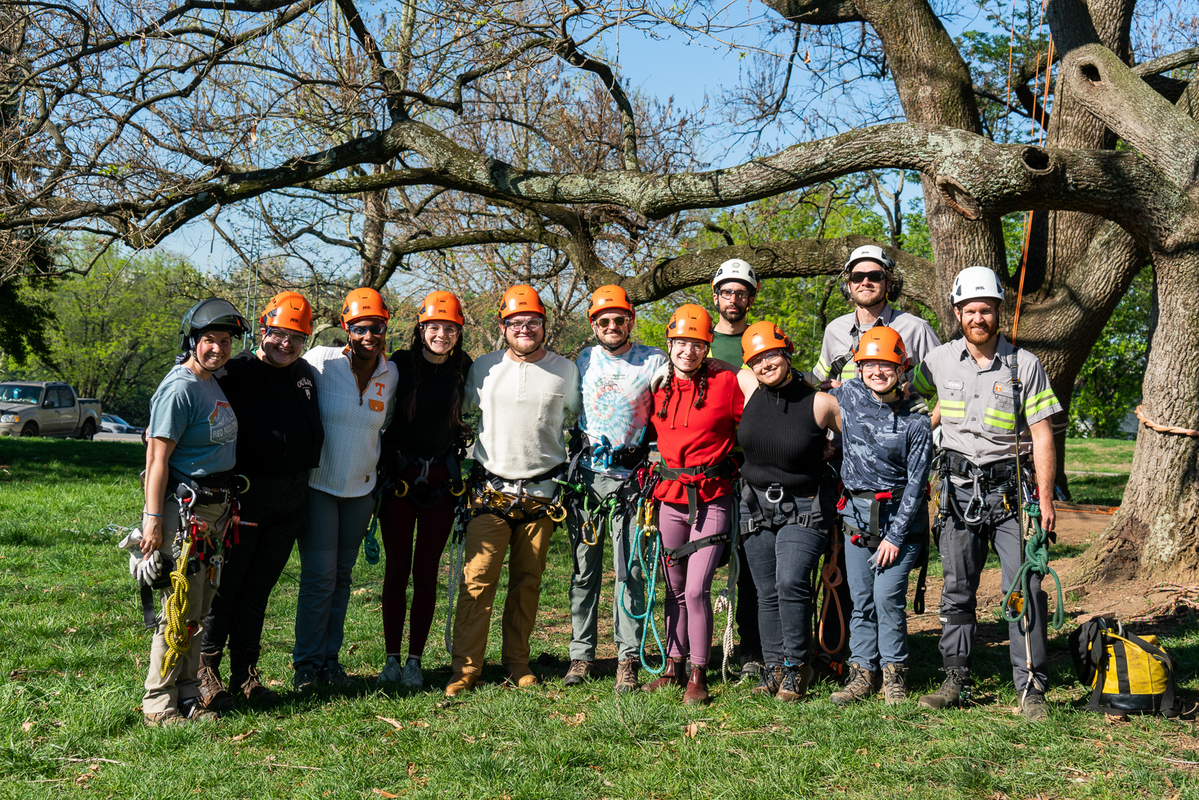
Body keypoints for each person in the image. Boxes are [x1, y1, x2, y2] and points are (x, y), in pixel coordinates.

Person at [911, 266, 1062, 720]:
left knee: (1025, 587)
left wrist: (1046, 499)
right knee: (957, 589)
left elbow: (1043, 434)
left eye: (987, 310)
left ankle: (1030, 686)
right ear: (957, 313)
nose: (978, 318)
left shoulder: (1024, 365)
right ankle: (954, 677)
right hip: (957, 494)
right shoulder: (937, 361)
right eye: (970, 310)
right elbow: (909, 402)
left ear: (999, 311)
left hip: (1011, 495)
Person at [446, 285, 582, 697]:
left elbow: (580, 417)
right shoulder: (484, 368)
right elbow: (459, 411)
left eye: (532, 322)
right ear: (503, 327)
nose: (525, 329)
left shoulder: (566, 371)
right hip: (490, 492)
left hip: (542, 494)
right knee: (477, 581)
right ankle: (466, 668)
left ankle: (517, 661)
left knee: (528, 583)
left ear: (544, 324)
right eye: (516, 323)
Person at [196, 292, 324, 712]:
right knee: (226, 589)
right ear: (263, 330)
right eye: (279, 334)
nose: (286, 343)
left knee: (259, 590)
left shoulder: (304, 374)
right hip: (245, 500)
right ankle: (205, 671)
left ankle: (245, 673)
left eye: (296, 337)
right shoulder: (232, 372)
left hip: (290, 502)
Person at [137, 298, 249, 725]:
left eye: (225, 341)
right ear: (192, 341)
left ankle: (187, 695)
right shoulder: (180, 388)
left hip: (213, 512)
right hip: (184, 514)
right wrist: (152, 521)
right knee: (177, 609)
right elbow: (156, 459)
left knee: (197, 610)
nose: (218, 348)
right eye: (210, 340)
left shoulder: (210, 381)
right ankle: (158, 702)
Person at [293, 287, 399, 691]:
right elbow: (277, 368)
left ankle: (330, 661)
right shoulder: (321, 360)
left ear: (386, 328)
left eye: (377, 328)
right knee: (319, 577)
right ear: (346, 327)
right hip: (320, 485)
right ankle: (306, 664)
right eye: (360, 328)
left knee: (341, 578)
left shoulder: (391, 373)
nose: (369, 336)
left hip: (361, 491)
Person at [563, 285, 666, 693]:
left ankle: (628, 657)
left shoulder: (653, 360)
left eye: (619, 320)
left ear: (630, 321)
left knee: (632, 570)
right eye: (603, 321)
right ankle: (581, 654)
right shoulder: (583, 360)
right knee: (583, 570)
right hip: (588, 479)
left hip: (632, 481)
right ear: (593, 324)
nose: (611, 326)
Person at [734, 321, 841, 703]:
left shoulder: (820, 403)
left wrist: (833, 451)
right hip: (754, 505)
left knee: (790, 580)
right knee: (765, 591)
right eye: (757, 359)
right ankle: (773, 665)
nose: (765, 364)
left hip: (804, 506)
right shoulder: (748, 386)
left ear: (788, 353)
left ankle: (797, 666)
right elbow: (718, 364)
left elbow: (856, 441)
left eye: (772, 355)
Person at [642, 304, 743, 705]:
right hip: (669, 497)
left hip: (713, 495)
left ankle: (699, 673)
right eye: (682, 343)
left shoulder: (726, 381)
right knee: (674, 588)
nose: (689, 351)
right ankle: (674, 666)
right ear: (669, 343)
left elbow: (753, 419)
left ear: (708, 346)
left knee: (698, 588)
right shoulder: (657, 386)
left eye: (697, 344)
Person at [828, 326, 932, 706]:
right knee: (861, 599)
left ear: (901, 368)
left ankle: (894, 673)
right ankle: (861, 673)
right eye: (869, 364)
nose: (877, 371)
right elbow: (809, 387)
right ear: (859, 368)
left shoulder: (916, 420)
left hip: (899, 521)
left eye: (886, 365)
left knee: (887, 597)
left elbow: (918, 484)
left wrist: (895, 536)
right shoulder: (848, 394)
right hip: (856, 518)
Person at [376, 291, 472, 689]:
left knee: (427, 572)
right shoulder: (398, 364)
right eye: (434, 327)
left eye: (450, 329)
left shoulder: (464, 368)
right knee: (397, 570)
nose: (441, 335)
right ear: (421, 329)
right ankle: (391, 659)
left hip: (440, 485)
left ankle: (415, 660)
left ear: (458, 333)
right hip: (400, 479)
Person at [708, 257, 765, 682]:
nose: (733, 299)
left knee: (750, 561)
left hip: (752, 465)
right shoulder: (698, 339)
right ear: (716, 297)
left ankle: (750, 649)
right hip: (708, 465)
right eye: (727, 292)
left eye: (740, 292)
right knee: (701, 559)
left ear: (751, 298)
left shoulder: (761, 340)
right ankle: (691, 649)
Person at [814, 245, 941, 388]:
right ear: (848, 286)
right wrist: (839, 393)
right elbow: (823, 382)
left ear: (888, 284)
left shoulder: (916, 329)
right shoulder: (834, 330)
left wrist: (910, 394)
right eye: (857, 277)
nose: (865, 282)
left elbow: (945, 376)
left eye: (875, 276)